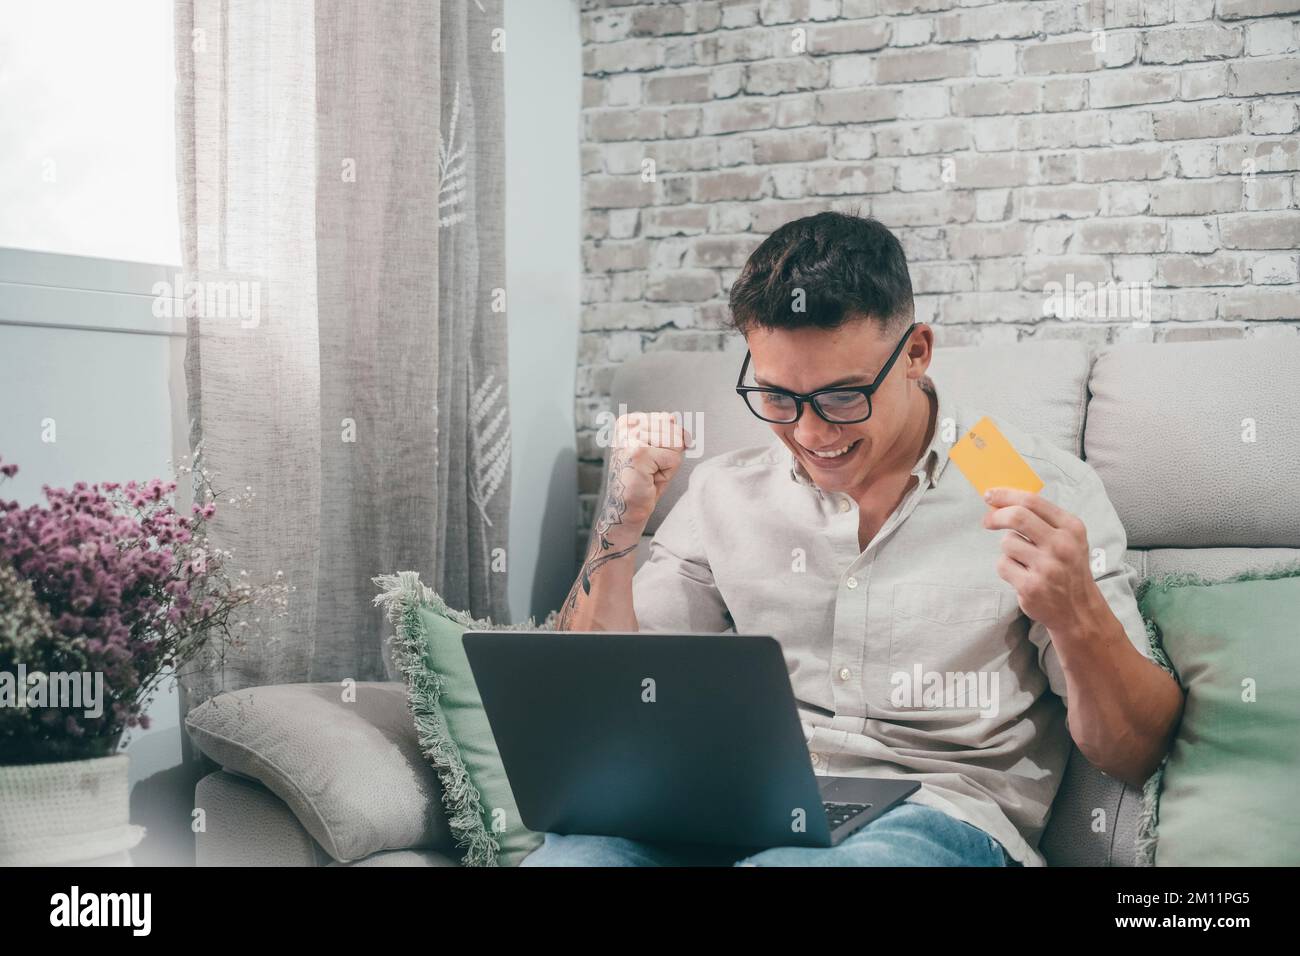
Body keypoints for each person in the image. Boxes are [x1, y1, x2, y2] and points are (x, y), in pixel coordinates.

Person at [525, 211, 1183, 867]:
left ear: (917, 353)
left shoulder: (1034, 490)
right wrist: (621, 520)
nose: (812, 434)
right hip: (735, 802)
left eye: (843, 397)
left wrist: (1077, 613)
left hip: (931, 816)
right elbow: (602, 708)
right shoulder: (727, 491)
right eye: (778, 398)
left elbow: (1135, 751)